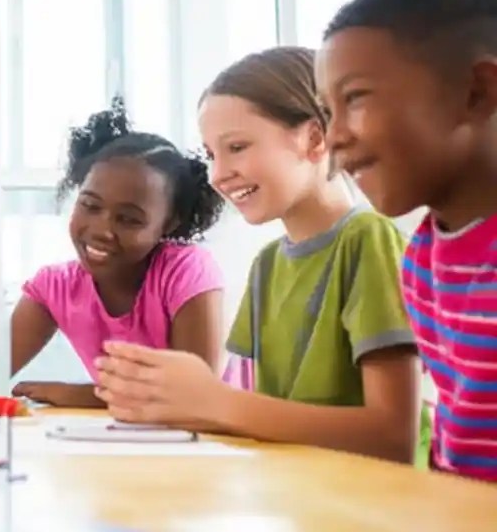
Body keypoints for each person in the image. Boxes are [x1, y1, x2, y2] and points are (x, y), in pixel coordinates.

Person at [97, 46, 421, 463]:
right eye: (212, 155)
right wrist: (164, 400)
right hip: (299, 501)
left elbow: (393, 435)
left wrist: (214, 403)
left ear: (314, 138)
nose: (217, 175)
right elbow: (254, 409)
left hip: (375, 508)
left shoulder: (367, 241)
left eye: (237, 147)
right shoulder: (267, 265)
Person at [0, 98, 226, 408]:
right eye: (90, 205)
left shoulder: (186, 271)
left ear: (169, 223)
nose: (101, 229)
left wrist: (80, 395)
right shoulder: (56, 287)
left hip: (216, 443)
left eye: (128, 219)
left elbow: (197, 391)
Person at [317, 0, 497, 481]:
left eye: (355, 98)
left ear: (476, 94)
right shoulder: (422, 258)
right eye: (328, 110)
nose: (334, 137)